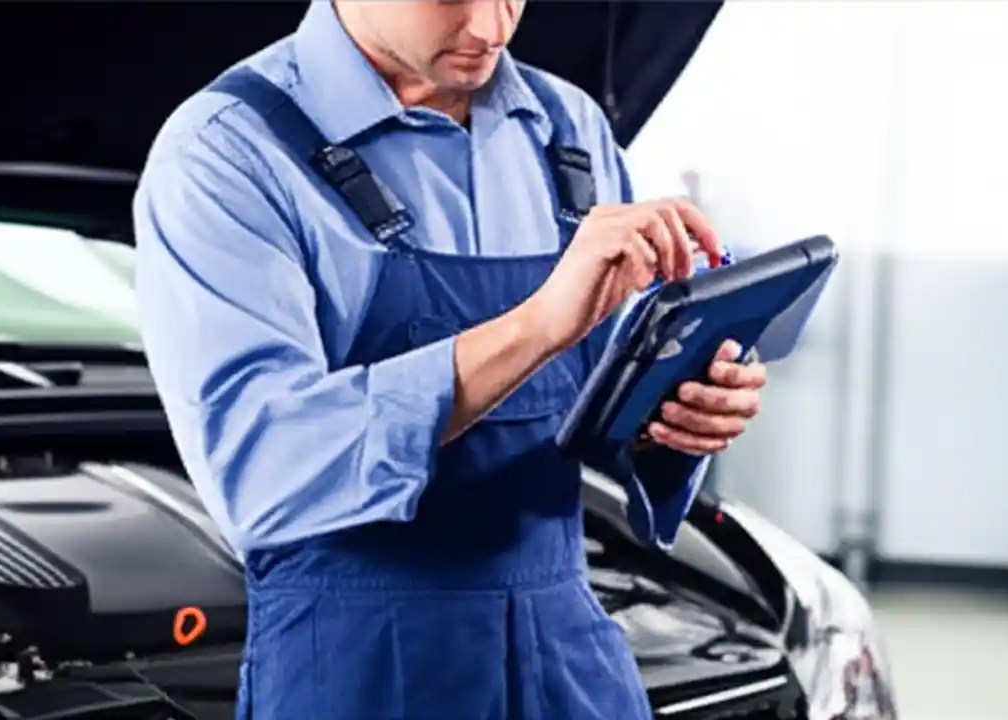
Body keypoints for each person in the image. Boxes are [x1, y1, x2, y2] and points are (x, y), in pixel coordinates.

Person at [132, 2, 768, 718]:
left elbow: (603, 399)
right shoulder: (227, 151)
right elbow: (262, 469)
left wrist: (678, 414)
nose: (491, 29)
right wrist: (535, 327)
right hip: (362, 674)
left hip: (569, 658)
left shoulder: (568, 128)